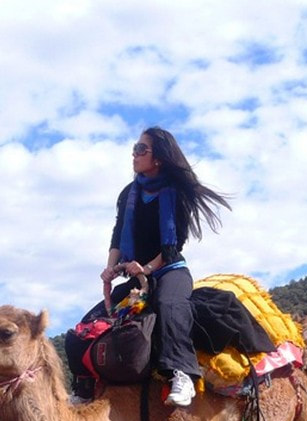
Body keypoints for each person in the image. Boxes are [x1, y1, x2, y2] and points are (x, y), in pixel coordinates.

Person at [78, 126, 230, 406]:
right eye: (134, 149)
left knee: (170, 306)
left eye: (140, 149)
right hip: (135, 275)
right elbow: (118, 232)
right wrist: (111, 269)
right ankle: (84, 386)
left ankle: (182, 375)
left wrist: (146, 269)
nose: (133, 155)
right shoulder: (128, 194)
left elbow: (173, 246)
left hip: (170, 270)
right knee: (89, 324)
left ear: (157, 158)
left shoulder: (176, 194)